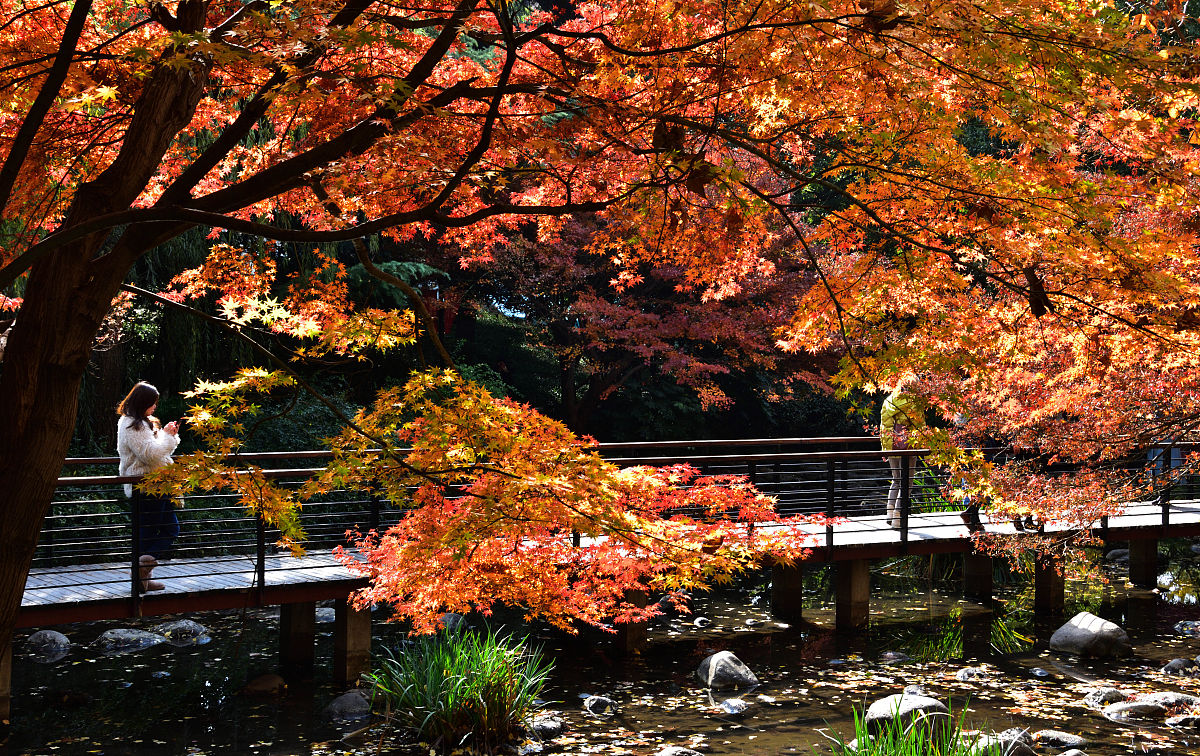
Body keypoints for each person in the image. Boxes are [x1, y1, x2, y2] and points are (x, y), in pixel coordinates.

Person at [116, 382, 181, 592]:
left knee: (152, 532)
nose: (154, 407)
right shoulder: (132, 424)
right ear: (142, 402)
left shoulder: (140, 423)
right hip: (145, 485)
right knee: (167, 530)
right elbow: (151, 454)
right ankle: (142, 571)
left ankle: (143, 577)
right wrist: (169, 437)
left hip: (155, 483)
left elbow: (153, 451)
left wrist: (165, 433)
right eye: (152, 403)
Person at [880, 376, 925, 528]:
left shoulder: (888, 400)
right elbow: (920, 427)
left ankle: (890, 513)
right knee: (907, 482)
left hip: (892, 446)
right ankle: (898, 519)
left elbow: (883, 427)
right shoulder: (913, 403)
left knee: (896, 480)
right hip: (908, 447)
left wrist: (885, 448)